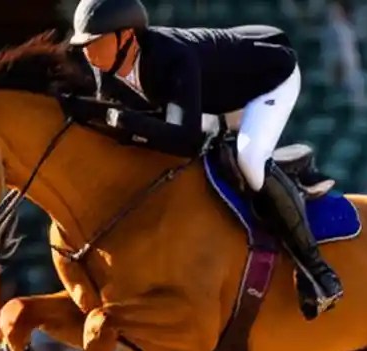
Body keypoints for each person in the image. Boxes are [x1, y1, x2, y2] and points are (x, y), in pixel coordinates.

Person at [67, 0, 344, 320]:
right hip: (214, 95)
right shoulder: (109, 72)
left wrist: (123, 121)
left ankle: (319, 273)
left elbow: (183, 141)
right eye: (84, 44)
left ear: (127, 36)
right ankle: (288, 167)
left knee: (250, 161)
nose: (87, 51)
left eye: (94, 41)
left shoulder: (171, 57)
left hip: (268, 79)